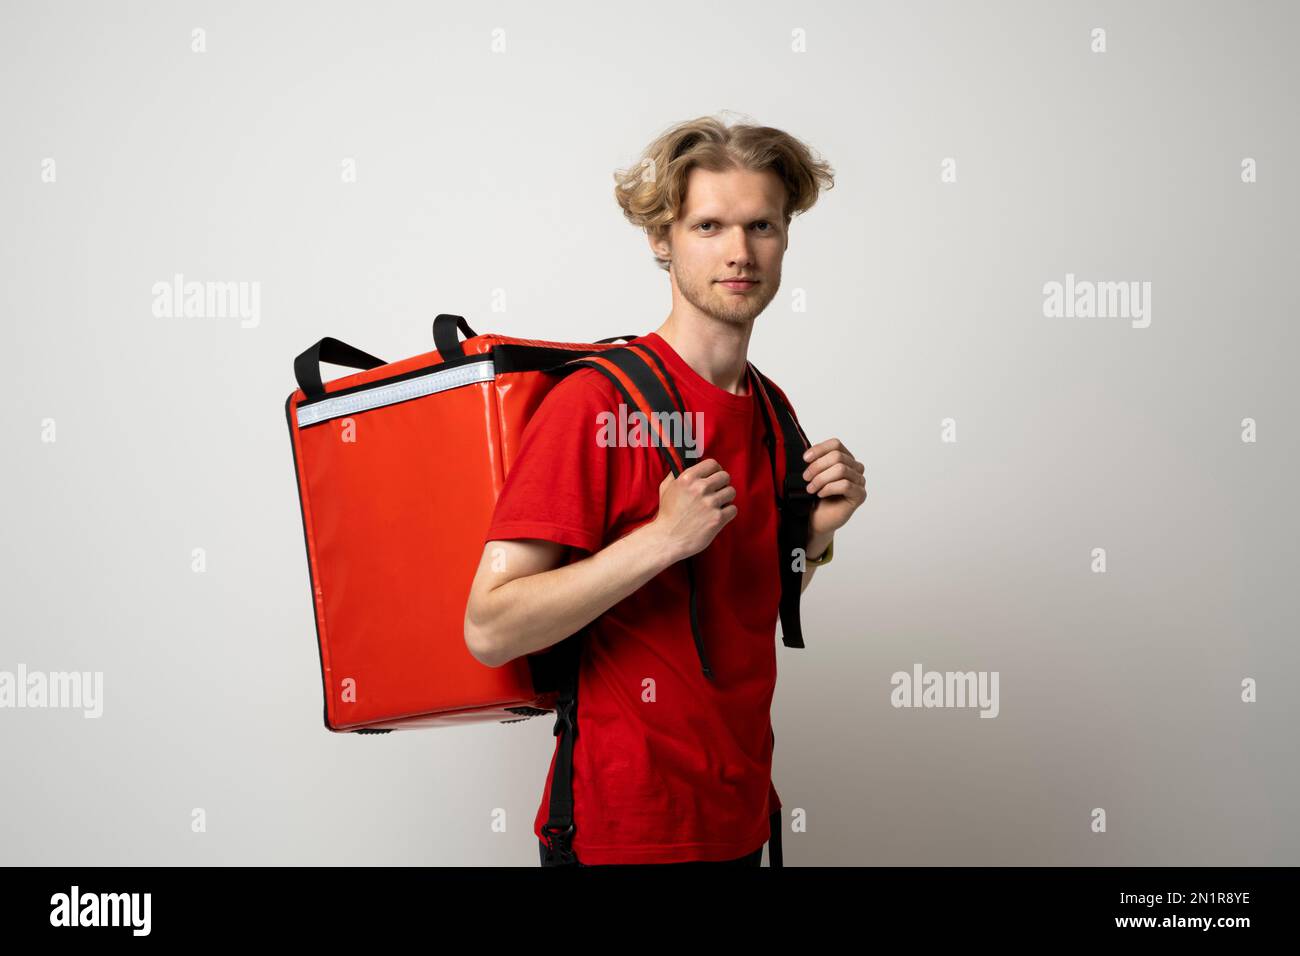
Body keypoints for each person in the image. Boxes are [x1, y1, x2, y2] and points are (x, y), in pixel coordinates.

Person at [463, 114, 867, 867]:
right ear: (661, 240)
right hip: (626, 833)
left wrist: (815, 536)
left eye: (762, 226)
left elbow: (737, 597)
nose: (740, 252)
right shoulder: (594, 404)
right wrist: (660, 539)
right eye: (709, 225)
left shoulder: (774, 411)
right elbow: (489, 626)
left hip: (742, 820)